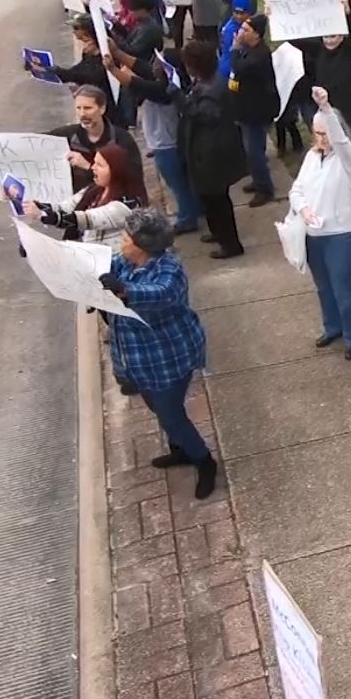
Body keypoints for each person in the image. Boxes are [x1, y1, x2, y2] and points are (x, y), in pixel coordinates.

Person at [98, 209, 218, 500]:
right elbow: (95, 267)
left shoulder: (169, 271)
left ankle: (204, 461)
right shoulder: (124, 262)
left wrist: (124, 290)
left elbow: (159, 294)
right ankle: (181, 449)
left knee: (172, 414)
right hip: (140, 361)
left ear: (142, 245)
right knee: (159, 409)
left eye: (126, 238)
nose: (121, 242)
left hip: (168, 358)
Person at [289, 88, 351, 359]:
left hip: (340, 235)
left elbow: (343, 143)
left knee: (342, 288)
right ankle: (332, 326)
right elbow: (296, 189)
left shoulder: (348, 160)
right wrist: (304, 208)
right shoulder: (311, 157)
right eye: (316, 133)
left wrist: (326, 110)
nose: (320, 139)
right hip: (313, 233)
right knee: (323, 286)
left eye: (325, 134)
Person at [103, 43, 197, 233]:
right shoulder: (166, 82)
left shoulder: (163, 90)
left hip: (166, 145)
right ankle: (195, 209)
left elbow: (133, 82)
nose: (153, 64)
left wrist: (112, 68)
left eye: (158, 63)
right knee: (182, 181)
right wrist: (117, 52)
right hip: (168, 142)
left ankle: (188, 218)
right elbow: (140, 67)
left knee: (177, 184)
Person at [176, 39, 246, 257]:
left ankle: (231, 244)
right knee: (209, 198)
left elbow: (208, 116)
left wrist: (181, 100)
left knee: (218, 200)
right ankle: (217, 232)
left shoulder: (214, 89)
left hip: (212, 154)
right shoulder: (205, 82)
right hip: (206, 151)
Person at [25, 143, 146, 243]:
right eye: (94, 163)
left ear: (115, 171)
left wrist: (43, 215)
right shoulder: (93, 190)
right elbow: (64, 207)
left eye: (99, 165)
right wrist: (35, 204)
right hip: (88, 256)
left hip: (111, 264)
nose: (93, 167)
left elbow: (87, 220)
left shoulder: (126, 204)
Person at [49, 85, 145, 199]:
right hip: (78, 206)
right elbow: (34, 142)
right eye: (78, 108)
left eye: (88, 108)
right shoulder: (67, 135)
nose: (82, 114)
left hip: (111, 206)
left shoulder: (121, 140)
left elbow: (133, 180)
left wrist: (88, 166)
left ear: (102, 109)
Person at [228, 13, 278, 207]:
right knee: (252, 149)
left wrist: (234, 48)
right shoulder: (250, 49)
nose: (241, 32)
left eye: (246, 30)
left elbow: (238, 67)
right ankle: (258, 180)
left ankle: (265, 188)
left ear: (257, 34)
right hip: (247, 107)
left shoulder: (259, 55)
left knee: (254, 151)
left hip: (257, 111)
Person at [302, 33, 351, 140]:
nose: (329, 41)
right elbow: (295, 39)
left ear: (342, 36)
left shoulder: (350, 50)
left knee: (347, 141)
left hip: (346, 109)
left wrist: (349, 16)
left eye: (333, 37)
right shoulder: (317, 49)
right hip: (324, 106)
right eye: (326, 37)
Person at [216, 0, 255, 82]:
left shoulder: (232, 23)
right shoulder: (232, 30)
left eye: (242, 13)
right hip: (230, 70)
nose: (239, 16)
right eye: (236, 12)